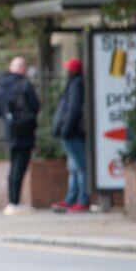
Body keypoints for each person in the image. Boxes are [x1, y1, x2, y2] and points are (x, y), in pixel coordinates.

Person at [0, 56, 41, 215]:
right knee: (20, 166)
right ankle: (15, 201)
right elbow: (36, 105)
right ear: (22, 68)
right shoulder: (24, 84)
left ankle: (12, 200)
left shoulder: (1, 85)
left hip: (10, 131)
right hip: (25, 131)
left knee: (14, 166)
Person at [52, 58, 89, 213]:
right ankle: (71, 199)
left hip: (72, 132)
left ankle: (82, 199)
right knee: (73, 168)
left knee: (80, 167)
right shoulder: (74, 84)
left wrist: (65, 129)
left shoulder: (76, 84)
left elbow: (73, 108)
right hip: (69, 131)